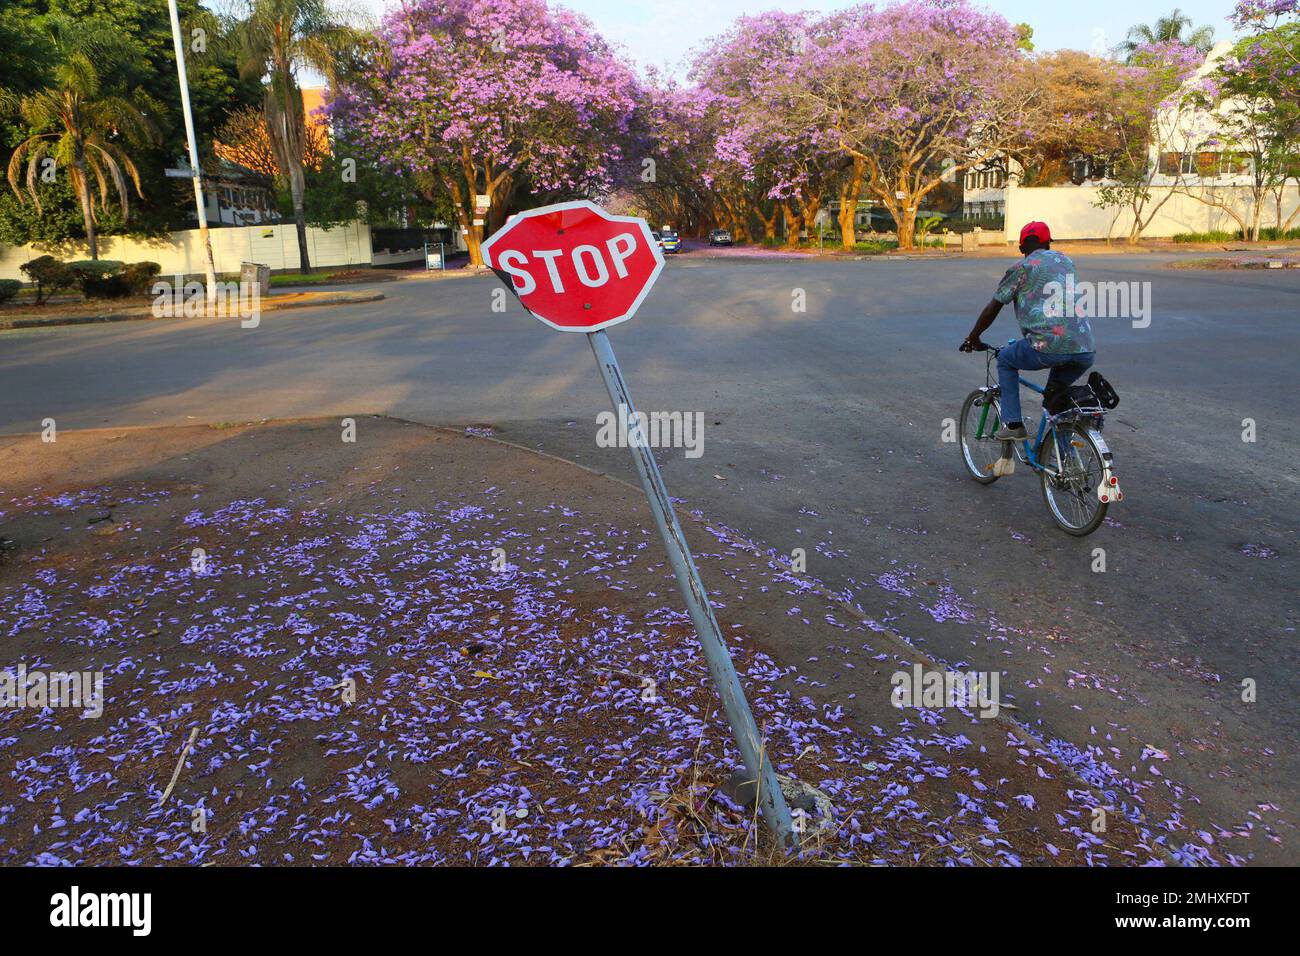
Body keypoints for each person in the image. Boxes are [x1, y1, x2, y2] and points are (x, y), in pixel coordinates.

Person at [960, 221, 1095, 440]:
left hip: (1047, 346)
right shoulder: (1066, 261)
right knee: (1056, 403)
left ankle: (1013, 424)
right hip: (1084, 348)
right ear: (1048, 244)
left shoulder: (1021, 268)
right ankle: (1062, 464)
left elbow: (992, 308)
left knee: (1005, 359)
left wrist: (973, 337)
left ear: (1022, 248)